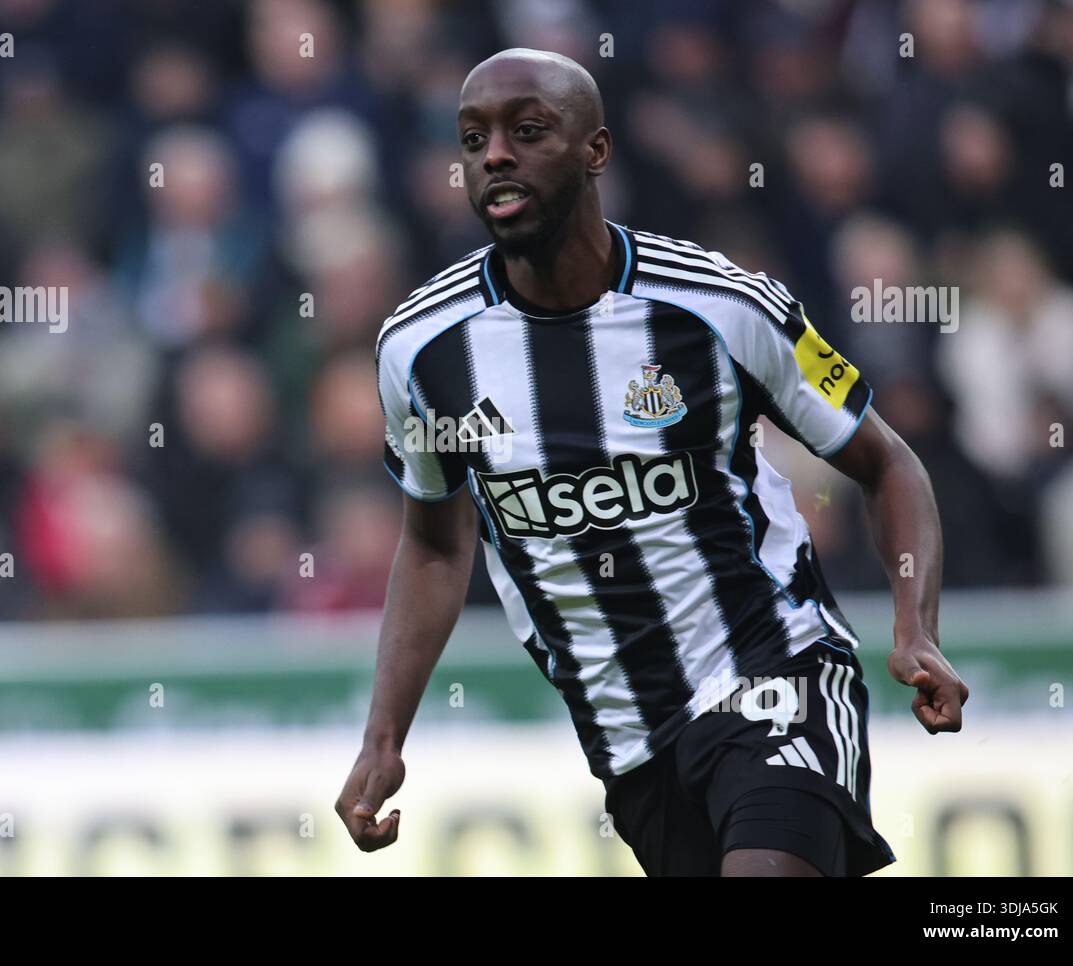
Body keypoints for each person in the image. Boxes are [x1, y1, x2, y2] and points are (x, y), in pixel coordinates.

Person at [335, 48, 968, 876]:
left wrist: (915, 625)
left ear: (595, 151)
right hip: (630, 741)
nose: (493, 155)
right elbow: (437, 543)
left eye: (527, 131)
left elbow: (887, 462)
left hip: (776, 668)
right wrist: (384, 739)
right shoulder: (422, 352)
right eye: (471, 139)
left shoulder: (719, 306)